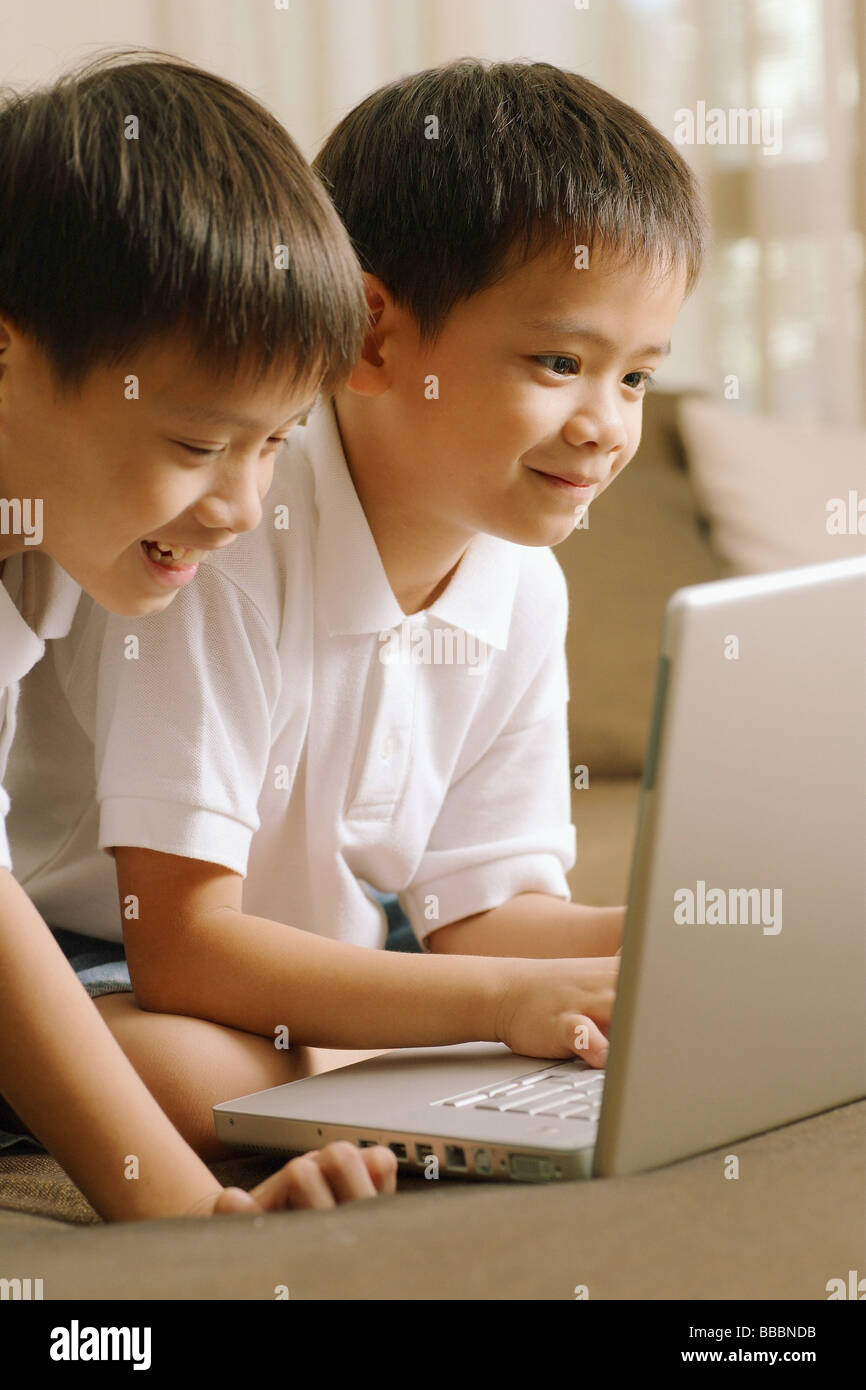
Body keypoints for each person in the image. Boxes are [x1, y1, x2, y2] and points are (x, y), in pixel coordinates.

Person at [6, 60, 707, 1161]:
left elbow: (480, 917)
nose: (602, 426)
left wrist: (694, 936)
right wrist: (484, 1006)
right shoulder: (217, 534)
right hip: (120, 956)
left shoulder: (523, 574)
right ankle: (378, 1062)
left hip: (328, 945)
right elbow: (182, 949)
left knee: (598, 994)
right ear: (374, 337)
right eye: (560, 361)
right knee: (172, 1068)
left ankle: (372, 1060)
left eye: (634, 379)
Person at [0, 50, 399, 1219]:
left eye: (273, 444)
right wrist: (183, 1213)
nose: (239, 509)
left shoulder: (40, 554)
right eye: (194, 444)